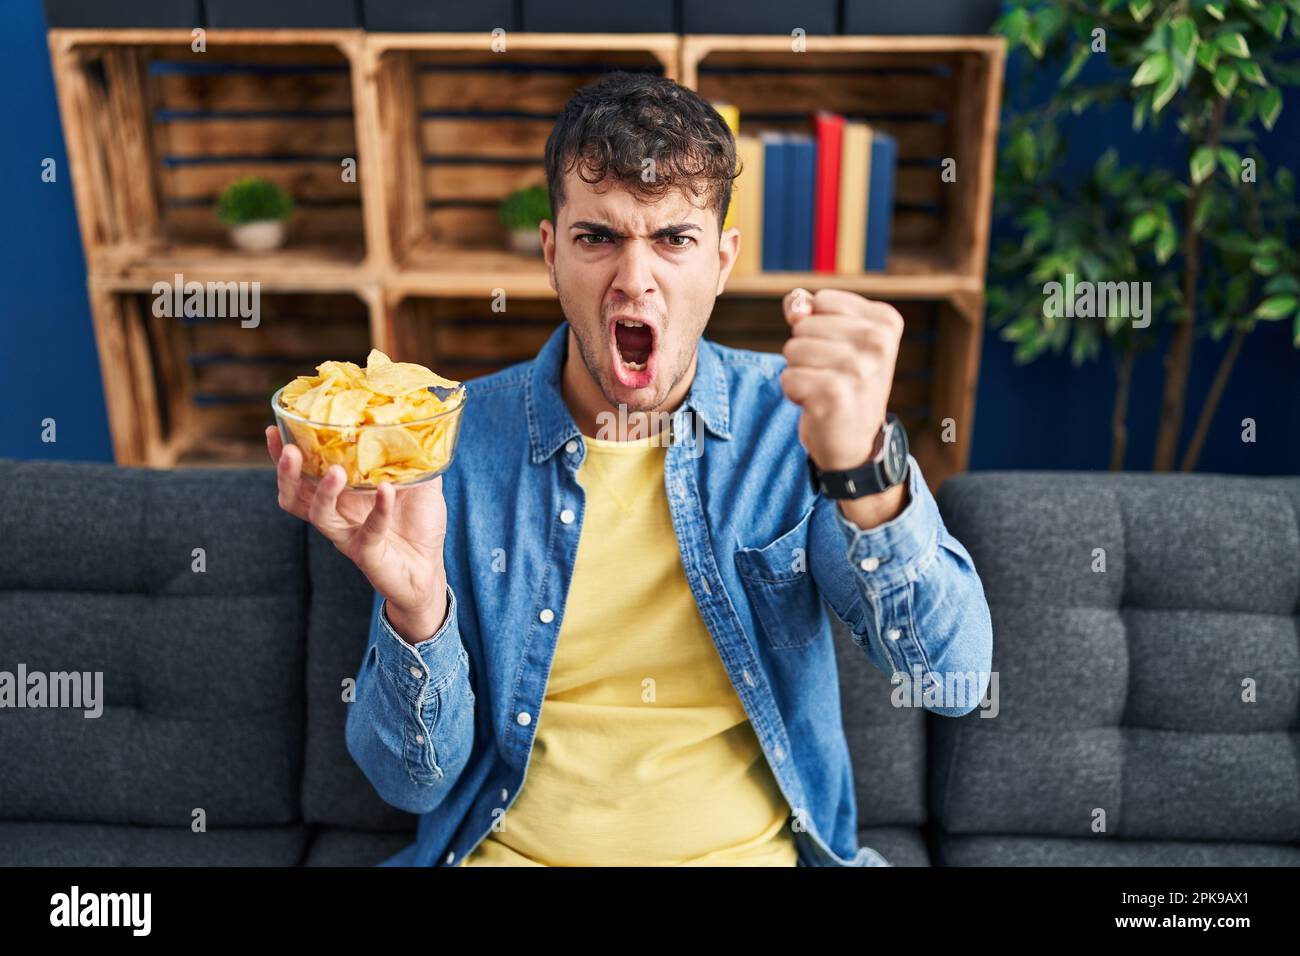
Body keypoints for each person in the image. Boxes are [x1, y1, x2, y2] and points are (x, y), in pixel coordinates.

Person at [267, 71, 992, 867]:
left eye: (673, 239)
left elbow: (951, 681)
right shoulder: (450, 445)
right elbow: (411, 785)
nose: (634, 279)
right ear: (551, 254)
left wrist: (866, 474)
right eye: (597, 237)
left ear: (721, 261)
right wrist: (415, 614)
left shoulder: (800, 430)